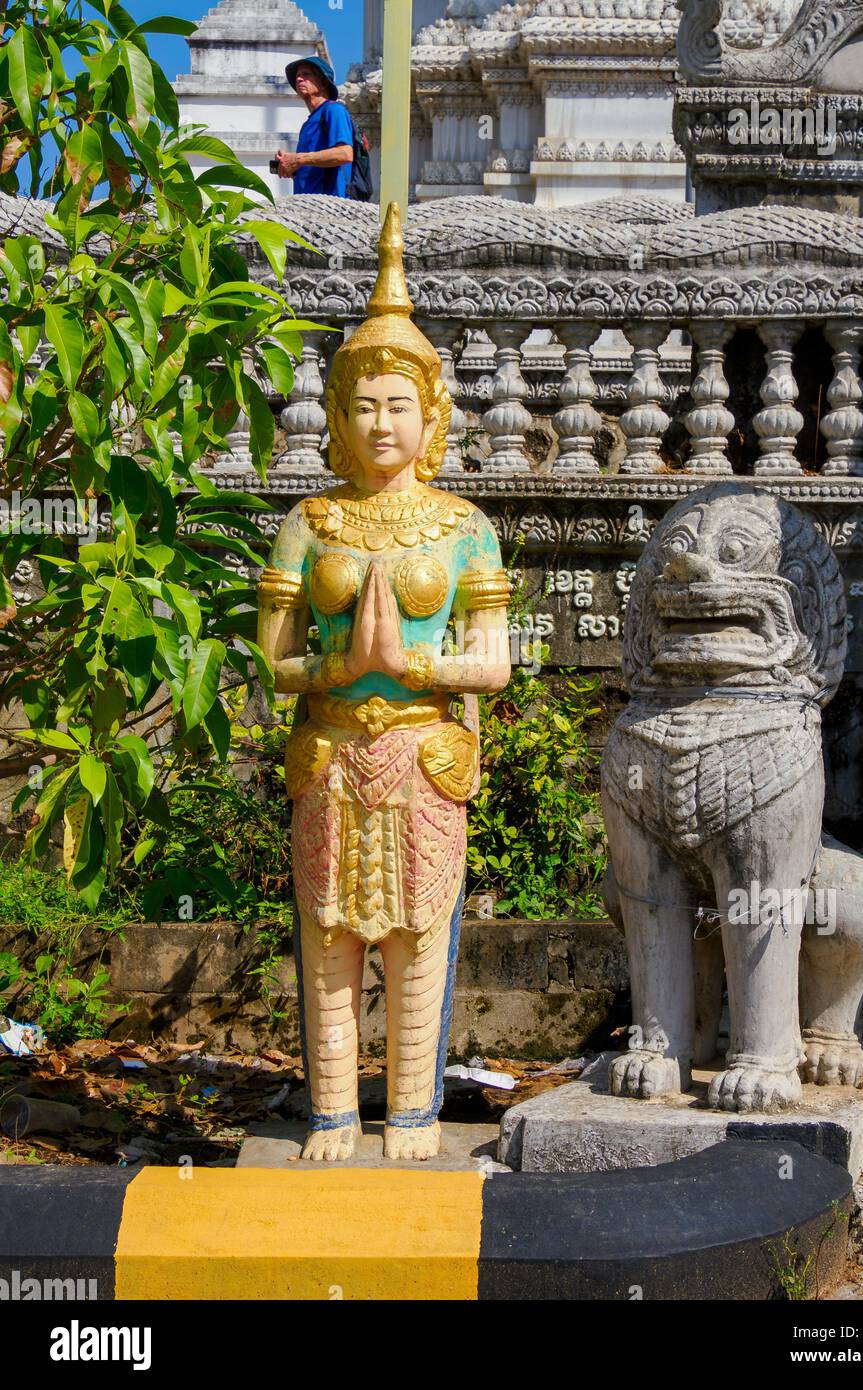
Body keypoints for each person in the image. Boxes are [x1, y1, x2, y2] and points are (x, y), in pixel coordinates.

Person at [256, 206, 512, 1162]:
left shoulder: (461, 524)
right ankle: (331, 1113)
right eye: (362, 404)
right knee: (329, 934)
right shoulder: (309, 519)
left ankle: (410, 1112)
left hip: (420, 746)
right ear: (337, 412)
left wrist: (407, 664)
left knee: (416, 933)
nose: (379, 422)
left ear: (430, 414)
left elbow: (495, 662)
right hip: (327, 746)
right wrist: (334, 666)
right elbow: (271, 661)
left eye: (397, 404)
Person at [275, 55, 354, 197]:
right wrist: (290, 166)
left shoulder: (334, 110)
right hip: (305, 205)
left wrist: (298, 159)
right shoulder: (307, 125)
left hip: (332, 206)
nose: (299, 79)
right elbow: (311, 170)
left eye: (306, 75)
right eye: (298, 76)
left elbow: (345, 154)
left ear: (323, 82)